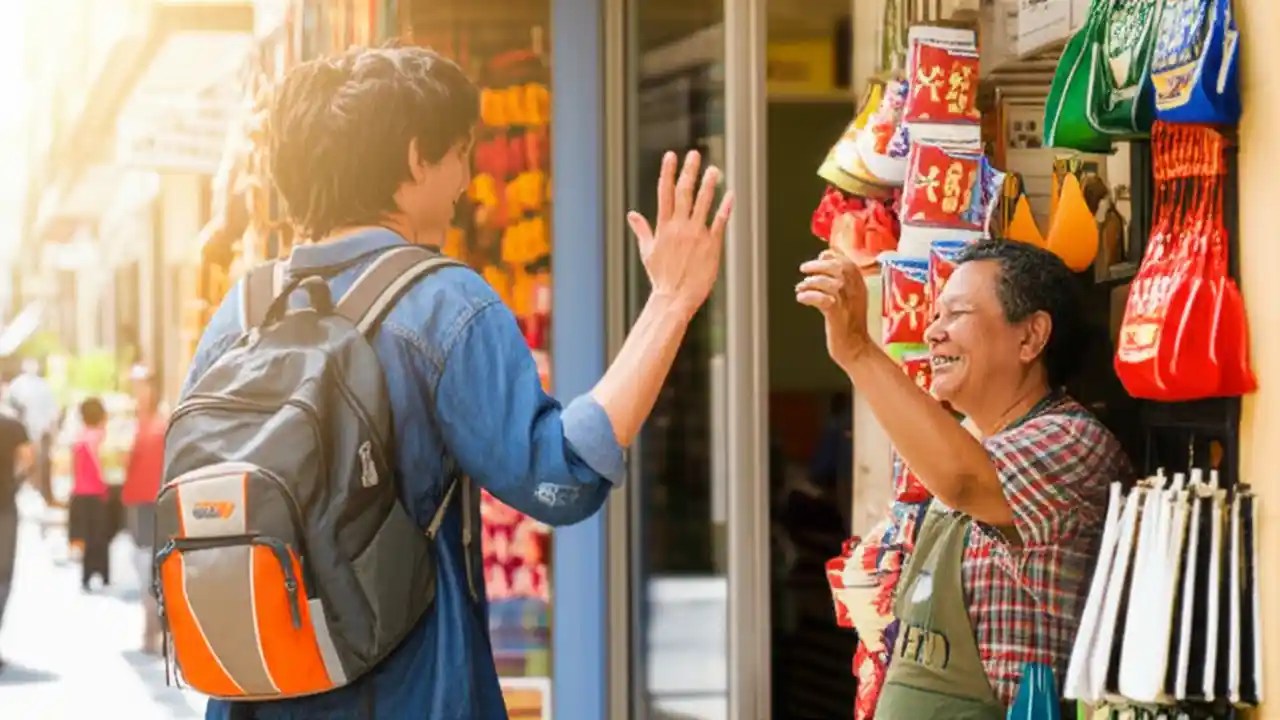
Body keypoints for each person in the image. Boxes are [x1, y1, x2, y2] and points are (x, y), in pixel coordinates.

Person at [181, 45, 732, 720]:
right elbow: (560, 478)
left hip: (252, 695)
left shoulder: (237, 313)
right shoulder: (442, 303)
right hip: (407, 695)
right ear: (417, 157)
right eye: (460, 154)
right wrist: (671, 302)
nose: (467, 180)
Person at [797, 239, 1132, 717]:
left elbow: (965, 482)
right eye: (935, 315)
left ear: (1031, 337)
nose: (934, 332)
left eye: (956, 314)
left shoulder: (1072, 443)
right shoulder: (967, 445)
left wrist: (857, 350)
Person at [121, 366, 165, 654]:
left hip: (158, 498)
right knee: (142, 562)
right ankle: (151, 627)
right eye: (135, 385)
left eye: (144, 384)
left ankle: (154, 629)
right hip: (137, 498)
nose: (140, 390)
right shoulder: (127, 422)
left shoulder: (163, 419)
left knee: (153, 564)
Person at [0, 402, 33, 672]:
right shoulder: (12, 425)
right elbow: (28, 458)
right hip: (4, 508)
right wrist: (16, 482)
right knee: (2, 578)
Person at [69, 397, 111, 591]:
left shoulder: (79, 437)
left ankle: (86, 576)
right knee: (101, 536)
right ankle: (103, 574)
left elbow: (74, 467)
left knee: (86, 536)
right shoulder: (100, 436)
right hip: (98, 493)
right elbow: (100, 464)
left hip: (80, 493)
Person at [5, 359, 58, 507]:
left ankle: (33, 488)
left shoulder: (19, 385)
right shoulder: (41, 385)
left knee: (29, 463)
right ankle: (39, 491)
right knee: (38, 462)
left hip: (27, 430)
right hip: (35, 431)